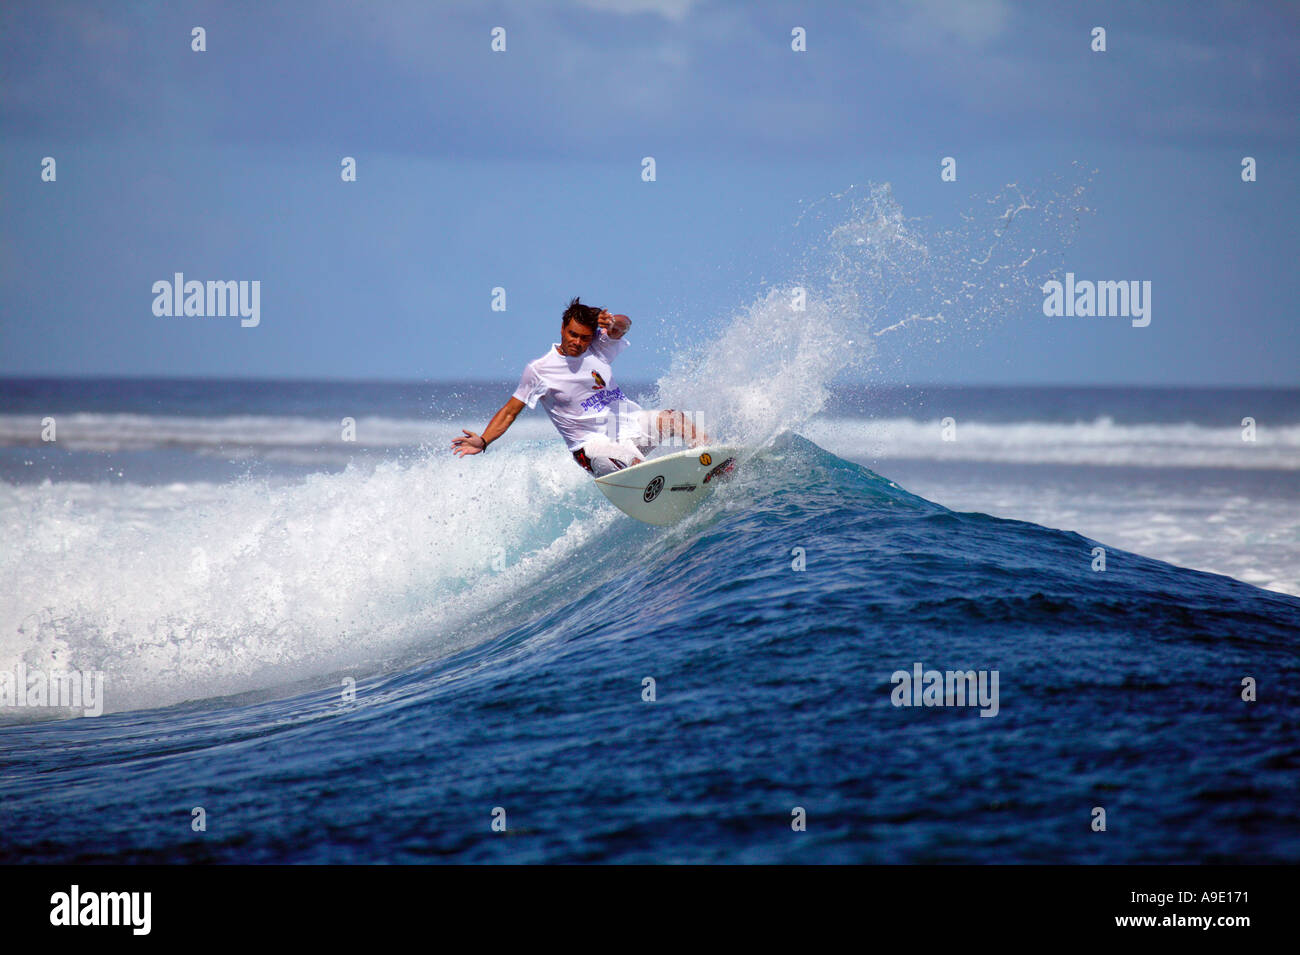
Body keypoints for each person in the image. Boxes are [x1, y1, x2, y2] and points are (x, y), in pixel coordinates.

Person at [451, 296, 708, 475]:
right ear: (562, 328)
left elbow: (625, 325)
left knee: (677, 419)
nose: (577, 342)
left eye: (584, 337)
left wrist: (611, 323)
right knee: (637, 466)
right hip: (591, 446)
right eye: (572, 334)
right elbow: (510, 411)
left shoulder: (598, 346)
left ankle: (712, 461)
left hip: (625, 426)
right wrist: (484, 440)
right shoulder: (540, 370)